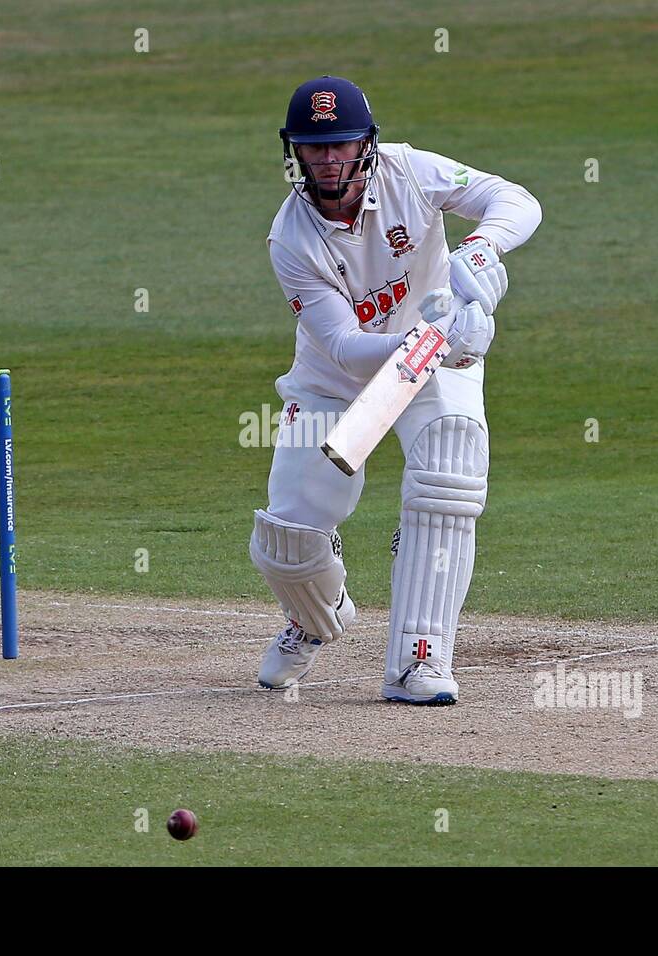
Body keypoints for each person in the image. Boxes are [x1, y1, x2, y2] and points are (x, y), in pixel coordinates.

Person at [249, 75, 542, 704]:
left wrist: (481, 255)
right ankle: (312, 616)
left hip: (445, 357)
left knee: (449, 470)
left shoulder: (410, 172)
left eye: (341, 144)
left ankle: (419, 659)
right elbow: (348, 349)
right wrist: (429, 340)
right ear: (294, 152)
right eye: (313, 147)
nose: (327, 159)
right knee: (286, 540)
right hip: (336, 379)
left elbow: (516, 199)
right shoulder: (291, 238)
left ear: (367, 143)